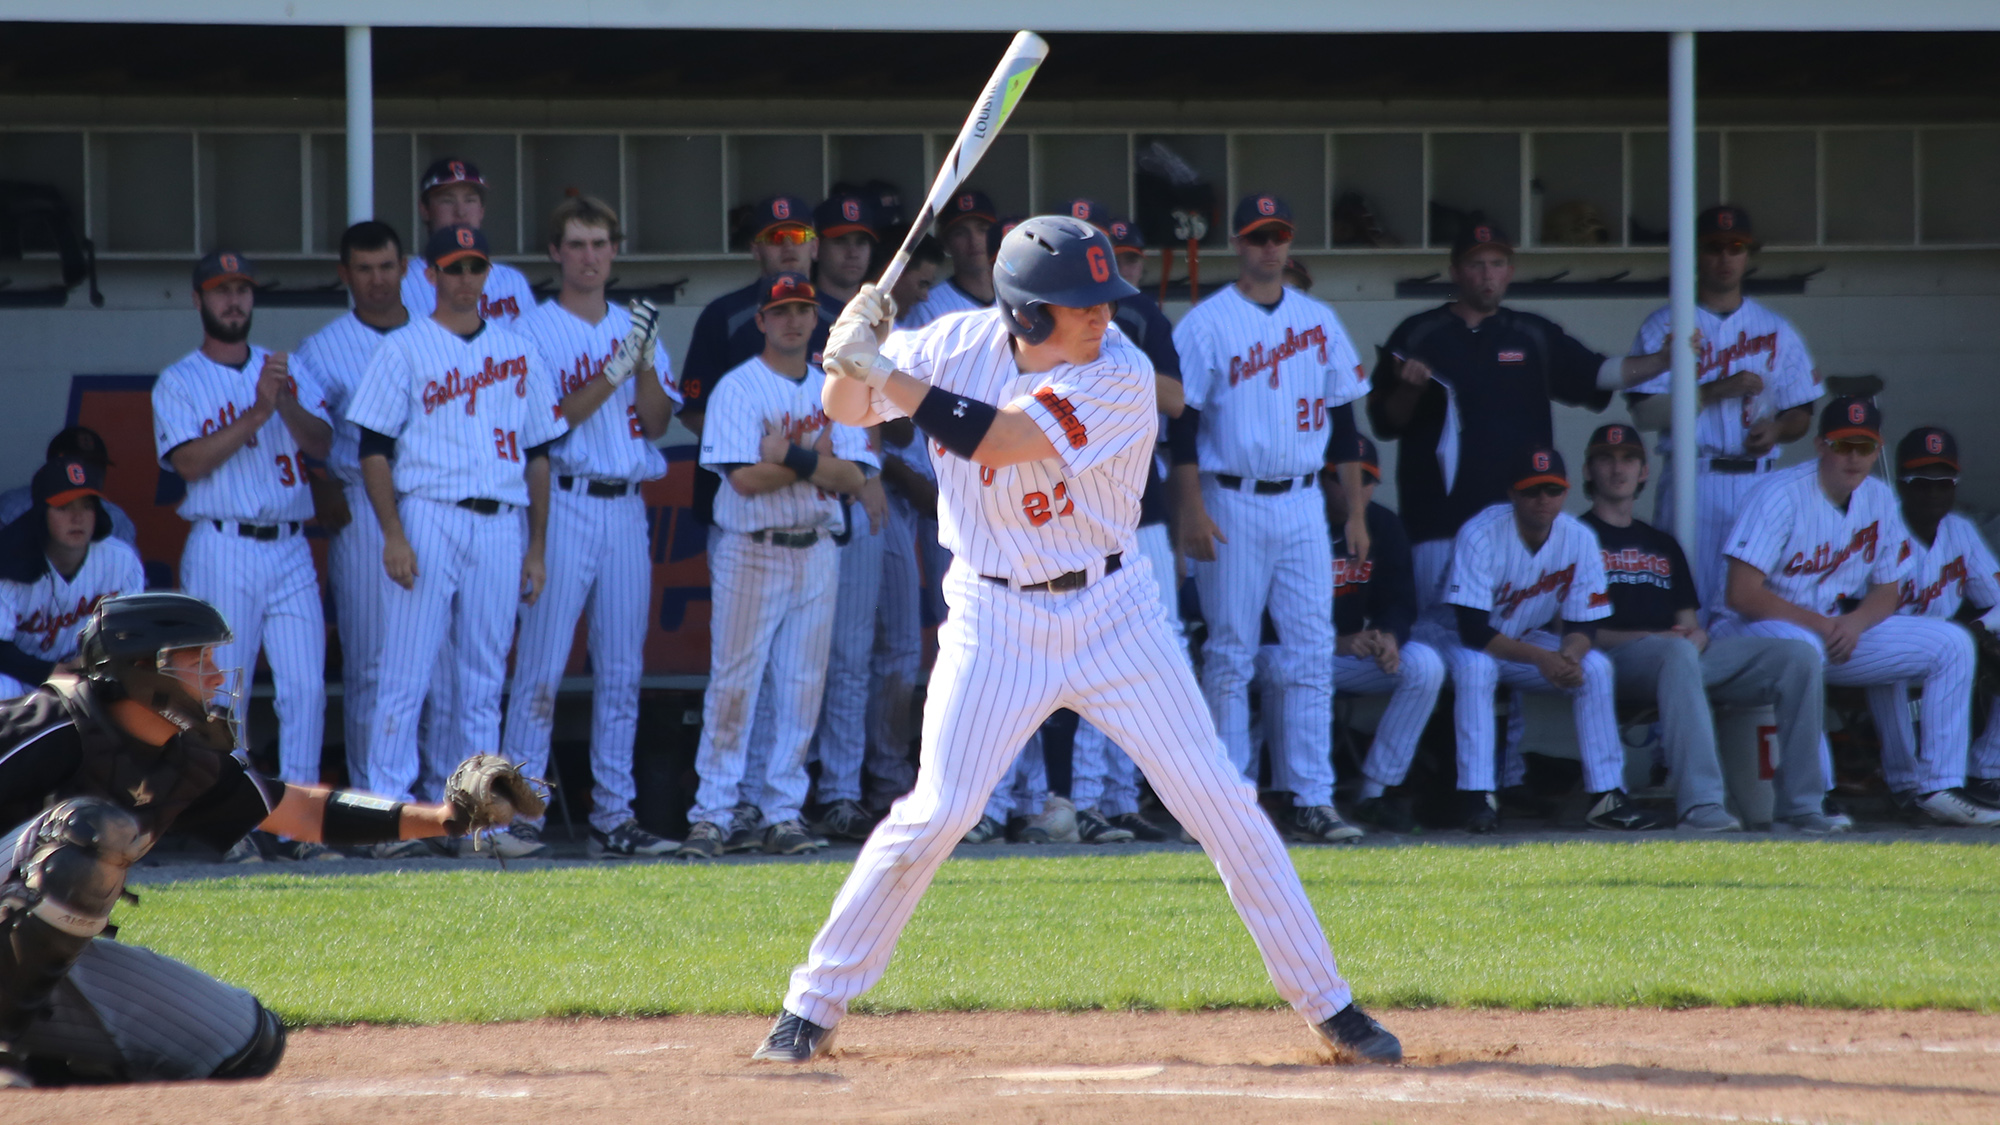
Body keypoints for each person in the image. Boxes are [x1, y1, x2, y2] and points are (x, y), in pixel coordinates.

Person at [751, 215, 1402, 1067]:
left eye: (1104, 298)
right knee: (937, 810)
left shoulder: (1122, 372)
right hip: (993, 615)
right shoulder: (950, 342)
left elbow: (1003, 438)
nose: (1101, 313)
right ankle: (812, 1004)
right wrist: (853, 346)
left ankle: (1330, 1005)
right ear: (1024, 314)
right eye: (1078, 303)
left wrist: (885, 371)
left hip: (1114, 611)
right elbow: (844, 406)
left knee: (1220, 803)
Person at [0, 593, 507, 1088]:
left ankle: (42, 1064)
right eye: (197, 660)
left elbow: (305, 812)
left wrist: (444, 819)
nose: (218, 676)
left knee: (243, 1043)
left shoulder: (187, 759)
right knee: (87, 835)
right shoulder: (54, 722)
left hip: (31, 960)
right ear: (141, 667)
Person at [345, 226, 569, 844]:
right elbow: (373, 449)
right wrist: (392, 533)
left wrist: (538, 546)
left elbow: (540, 454)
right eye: (454, 268)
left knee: (482, 680)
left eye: (475, 266)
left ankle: (473, 820)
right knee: (405, 672)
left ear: (486, 272)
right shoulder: (405, 348)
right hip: (429, 513)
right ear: (432, 275)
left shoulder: (519, 350)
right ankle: (386, 819)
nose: (465, 278)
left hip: (501, 519)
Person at [1168, 193, 1370, 844]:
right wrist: (1191, 507)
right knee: (1230, 651)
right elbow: (1183, 425)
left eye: (1277, 235)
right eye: (1257, 237)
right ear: (1238, 244)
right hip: (1232, 496)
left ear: (1290, 242)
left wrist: (1357, 512)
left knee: (1312, 650)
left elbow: (1345, 422)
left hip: (1306, 500)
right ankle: (1230, 803)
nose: (1268, 247)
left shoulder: (1319, 318)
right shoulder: (1207, 322)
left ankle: (1313, 797)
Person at [1367, 219, 1679, 612]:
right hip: (1438, 526)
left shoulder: (1531, 333)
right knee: (1441, 646)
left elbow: (1598, 374)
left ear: (1510, 272)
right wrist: (1410, 389)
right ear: (1456, 272)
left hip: (1521, 528)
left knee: (1518, 644)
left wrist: (1661, 362)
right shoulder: (1418, 333)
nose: (1487, 274)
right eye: (1476, 264)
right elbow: (1385, 422)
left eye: (1497, 264)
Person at [500, 195, 680, 860]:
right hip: (564, 498)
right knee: (542, 665)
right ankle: (519, 812)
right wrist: (614, 367)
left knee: (622, 668)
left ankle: (614, 815)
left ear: (614, 250)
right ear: (556, 253)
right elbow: (552, 422)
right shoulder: (530, 330)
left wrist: (645, 360)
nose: (589, 256)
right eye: (576, 244)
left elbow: (658, 423)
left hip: (625, 500)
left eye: (600, 243)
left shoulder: (637, 324)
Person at [1719, 398, 1996, 828]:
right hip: (1756, 632)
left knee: (1952, 643)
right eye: (1844, 444)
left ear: (1876, 451)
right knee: (1803, 650)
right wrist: (1826, 625)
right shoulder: (1778, 496)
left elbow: (1889, 590)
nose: (1854, 456)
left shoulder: (1878, 498)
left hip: (1832, 627)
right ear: (1820, 446)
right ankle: (1818, 795)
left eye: (1864, 447)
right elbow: (1740, 593)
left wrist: (1855, 622)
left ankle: (1936, 787)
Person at [676, 274, 877, 860]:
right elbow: (744, 479)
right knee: (733, 686)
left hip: (815, 549)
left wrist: (788, 453)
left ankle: (782, 812)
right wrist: (819, 461)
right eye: (781, 310)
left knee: (801, 689)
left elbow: (856, 479)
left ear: (816, 320)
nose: (793, 319)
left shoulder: (835, 391)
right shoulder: (736, 389)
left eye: (802, 310)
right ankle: (713, 812)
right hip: (752, 548)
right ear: (761, 320)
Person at [151, 250, 334, 861]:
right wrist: (258, 409)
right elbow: (189, 464)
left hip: (288, 544)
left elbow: (323, 442)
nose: (234, 301)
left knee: (305, 688)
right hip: (222, 542)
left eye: (243, 290)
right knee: (223, 695)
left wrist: (280, 402)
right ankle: (236, 825)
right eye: (221, 290)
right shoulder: (179, 380)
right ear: (199, 299)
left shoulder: (286, 368)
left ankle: (301, 825)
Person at [1577, 423, 1827, 832]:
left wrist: (1696, 637)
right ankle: (1701, 805)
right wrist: (1663, 641)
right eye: (1605, 459)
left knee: (1797, 656)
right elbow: (1576, 632)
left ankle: (1802, 805)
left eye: (1628, 460)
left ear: (1644, 471)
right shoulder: (1577, 536)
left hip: (1678, 658)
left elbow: (1690, 624)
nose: (1617, 468)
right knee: (1675, 653)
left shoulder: (1662, 543)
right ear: (1588, 471)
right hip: (1615, 661)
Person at [1428, 446, 1667, 833]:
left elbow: (1583, 624)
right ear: (1513, 493)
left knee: (1595, 666)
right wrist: (1544, 659)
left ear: (1566, 491)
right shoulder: (1481, 534)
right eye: (1532, 490)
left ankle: (1607, 797)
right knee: (1477, 668)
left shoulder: (1578, 537)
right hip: (1451, 636)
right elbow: (1473, 629)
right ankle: (1477, 797)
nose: (1543, 499)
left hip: (1521, 636)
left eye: (1552, 490)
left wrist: (1569, 655)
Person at [1624, 205, 1821, 617]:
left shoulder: (1776, 328)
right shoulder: (1664, 325)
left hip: (1759, 483)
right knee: (1681, 606)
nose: (1726, 257)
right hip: (1693, 476)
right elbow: (1645, 416)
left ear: (1748, 254)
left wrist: (1778, 429)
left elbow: (1802, 412)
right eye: (1715, 247)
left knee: (1753, 607)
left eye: (1736, 247)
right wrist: (1715, 390)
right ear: (1696, 253)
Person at [1067, 211, 1183, 844]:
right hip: (1088, 509)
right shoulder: (1061, 319)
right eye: (1118, 257)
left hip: (1148, 502)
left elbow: (1175, 400)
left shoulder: (1141, 320)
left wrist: (1119, 358)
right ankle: (1088, 797)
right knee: (1093, 654)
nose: (1125, 271)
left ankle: (1121, 795)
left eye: (1133, 258)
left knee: (1147, 653)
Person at [296, 220, 417, 799]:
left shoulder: (435, 335)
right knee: (371, 664)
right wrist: (317, 486)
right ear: (345, 275)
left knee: (437, 665)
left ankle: (441, 801)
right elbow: (303, 437)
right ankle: (376, 806)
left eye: (386, 267)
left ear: (405, 268)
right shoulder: (322, 348)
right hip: (365, 509)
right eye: (363, 269)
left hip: (434, 504)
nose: (376, 280)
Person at [1283, 436, 1444, 836]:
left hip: (1345, 654)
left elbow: (1401, 600)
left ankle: (1373, 792)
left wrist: (1389, 637)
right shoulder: (1295, 522)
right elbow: (1269, 620)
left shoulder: (1385, 526)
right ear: (1321, 478)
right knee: (1277, 669)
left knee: (1424, 665)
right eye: (1339, 477)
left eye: (1365, 480)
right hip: (1290, 651)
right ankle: (1285, 794)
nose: (1353, 488)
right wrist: (1336, 642)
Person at [804, 193, 902, 842]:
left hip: (861, 492)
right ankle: (789, 790)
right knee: (798, 657)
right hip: (801, 495)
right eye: (838, 240)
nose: (850, 251)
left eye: (860, 241)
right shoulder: (793, 317)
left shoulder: (875, 321)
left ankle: (840, 788)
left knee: (851, 655)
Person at [678, 196, 834, 532]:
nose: (789, 245)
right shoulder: (724, 315)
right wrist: (752, 450)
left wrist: (866, 474)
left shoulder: (841, 319)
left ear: (816, 246)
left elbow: (865, 409)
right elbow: (693, 409)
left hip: (823, 500)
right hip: (741, 502)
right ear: (756, 249)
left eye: (799, 236)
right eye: (776, 238)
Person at [1865, 426, 2000, 814]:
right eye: (1922, 482)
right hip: (1886, 642)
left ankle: (1986, 770)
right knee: (1891, 670)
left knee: (1962, 648)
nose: (1934, 492)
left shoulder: (1960, 530)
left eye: (1944, 482)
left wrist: (1979, 628)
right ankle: (1906, 785)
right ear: (1902, 486)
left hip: (1948, 648)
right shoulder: (1880, 527)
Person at [0, 459, 146, 699]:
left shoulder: (121, 560)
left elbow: (131, 633)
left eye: (87, 506)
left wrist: (94, 663)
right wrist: (49, 672)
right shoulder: (8, 562)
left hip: (86, 671)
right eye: (64, 507)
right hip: (20, 675)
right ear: (41, 513)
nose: (77, 518)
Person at [401, 158, 537, 326]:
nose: (461, 212)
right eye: (447, 200)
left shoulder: (512, 281)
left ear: (481, 210)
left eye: (470, 200)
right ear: (425, 210)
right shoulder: (401, 282)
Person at [0, 429, 138, 547]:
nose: (88, 474)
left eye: (96, 467)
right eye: (78, 467)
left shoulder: (116, 519)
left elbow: (132, 576)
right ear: (52, 466)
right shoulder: (13, 508)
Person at [900, 189, 997, 328]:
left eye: (982, 229)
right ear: (945, 242)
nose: (974, 240)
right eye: (960, 233)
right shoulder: (928, 307)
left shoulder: (1017, 299)